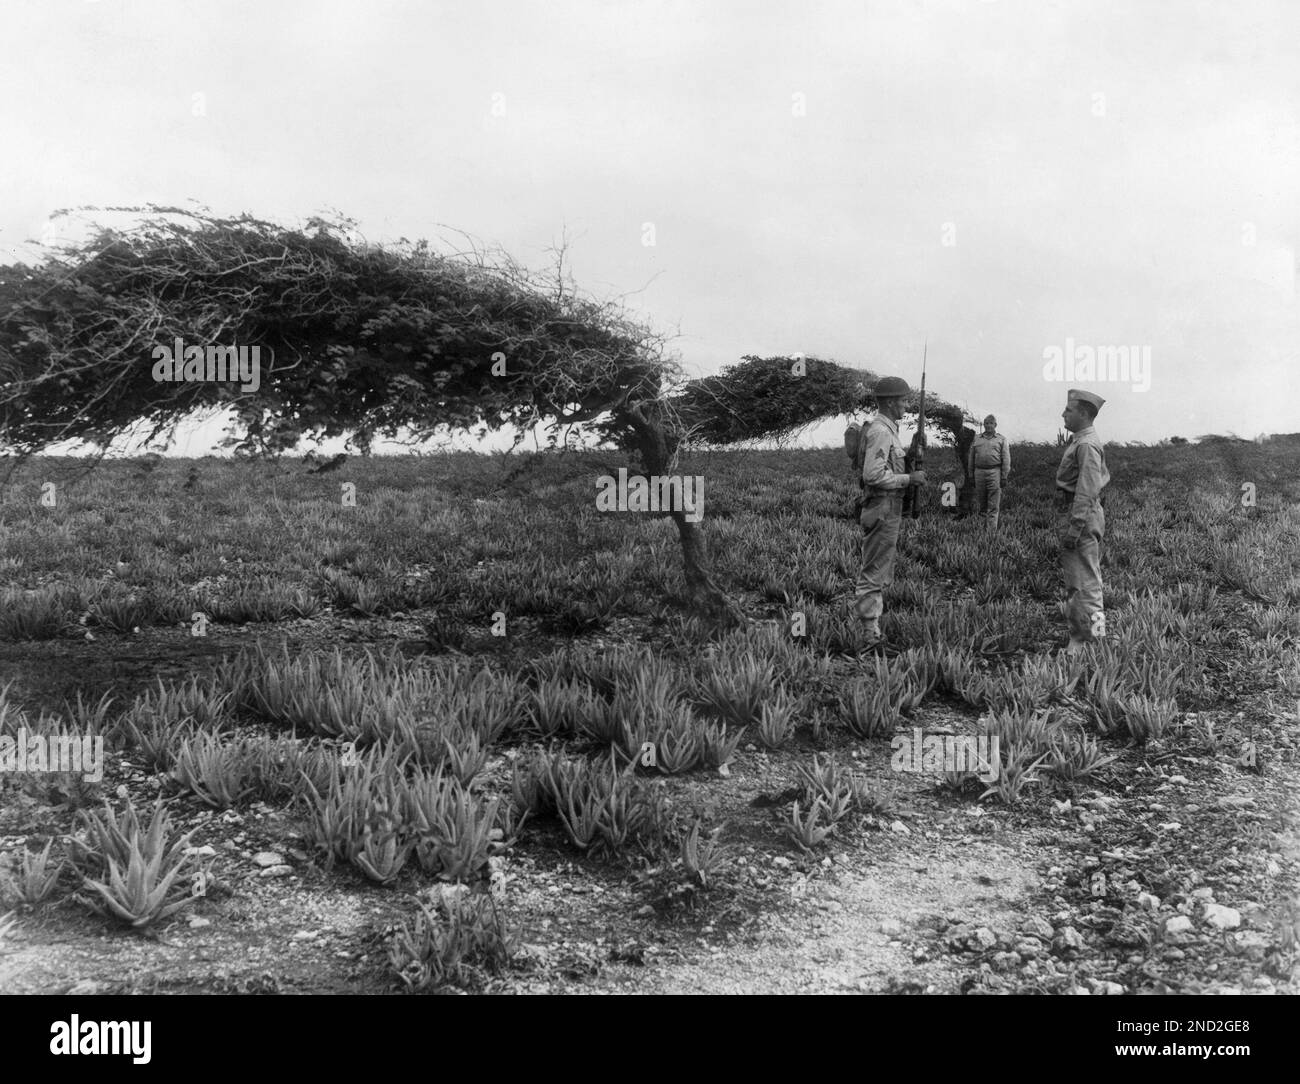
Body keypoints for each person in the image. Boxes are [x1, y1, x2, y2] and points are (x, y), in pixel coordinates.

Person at [852, 375, 926, 652]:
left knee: (880, 569)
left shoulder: (887, 429)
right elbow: (873, 475)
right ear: (892, 403)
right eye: (904, 400)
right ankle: (869, 637)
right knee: (874, 571)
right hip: (882, 506)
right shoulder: (882, 431)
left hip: (886, 507)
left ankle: (872, 628)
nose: (906, 406)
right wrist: (909, 479)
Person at [1056, 389, 1110, 654]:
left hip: (1082, 514)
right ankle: (1097, 634)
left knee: (1082, 582)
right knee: (1090, 578)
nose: (1063, 413)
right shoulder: (1082, 441)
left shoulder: (1086, 444)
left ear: (1084, 414)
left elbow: (1087, 490)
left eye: (1068, 410)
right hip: (1083, 513)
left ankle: (1083, 638)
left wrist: (1074, 527)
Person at [967, 414, 1011, 529]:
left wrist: (1004, 476)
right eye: (986, 423)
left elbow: (1006, 459)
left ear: (995, 425)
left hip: (995, 472)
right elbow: (971, 458)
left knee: (993, 505)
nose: (988, 426)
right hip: (979, 472)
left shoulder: (1001, 439)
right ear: (984, 425)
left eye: (991, 423)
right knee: (982, 503)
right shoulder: (977, 438)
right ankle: (981, 531)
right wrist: (971, 475)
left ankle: (991, 534)